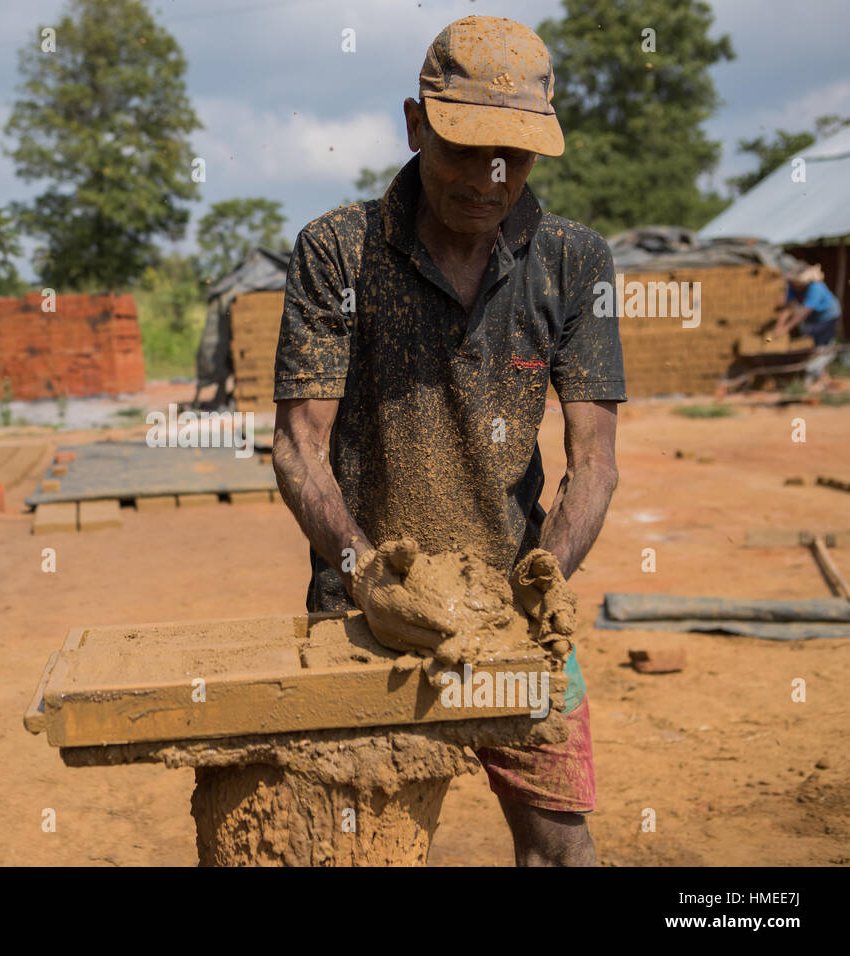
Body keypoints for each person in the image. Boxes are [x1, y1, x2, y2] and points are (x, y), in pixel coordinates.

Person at [272, 15, 625, 866]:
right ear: (415, 122)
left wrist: (544, 580)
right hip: (363, 620)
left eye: (515, 156)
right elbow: (297, 446)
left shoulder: (574, 263)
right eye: (465, 150)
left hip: (511, 616)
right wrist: (365, 579)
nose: (490, 180)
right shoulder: (340, 251)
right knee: (357, 853)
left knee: (562, 854)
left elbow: (595, 461)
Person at [772, 264, 842, 389]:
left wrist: (786, 328)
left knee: (822, 345)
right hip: (813, 318)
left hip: (828, 316)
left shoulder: (816, 288)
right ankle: (822, 376)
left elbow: (804, 312)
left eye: (797, 283)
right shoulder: (793, 287)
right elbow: (788, 307)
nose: (794, 285)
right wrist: (778, 326)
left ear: (804, 282)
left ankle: (817, 377)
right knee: (812, 343)